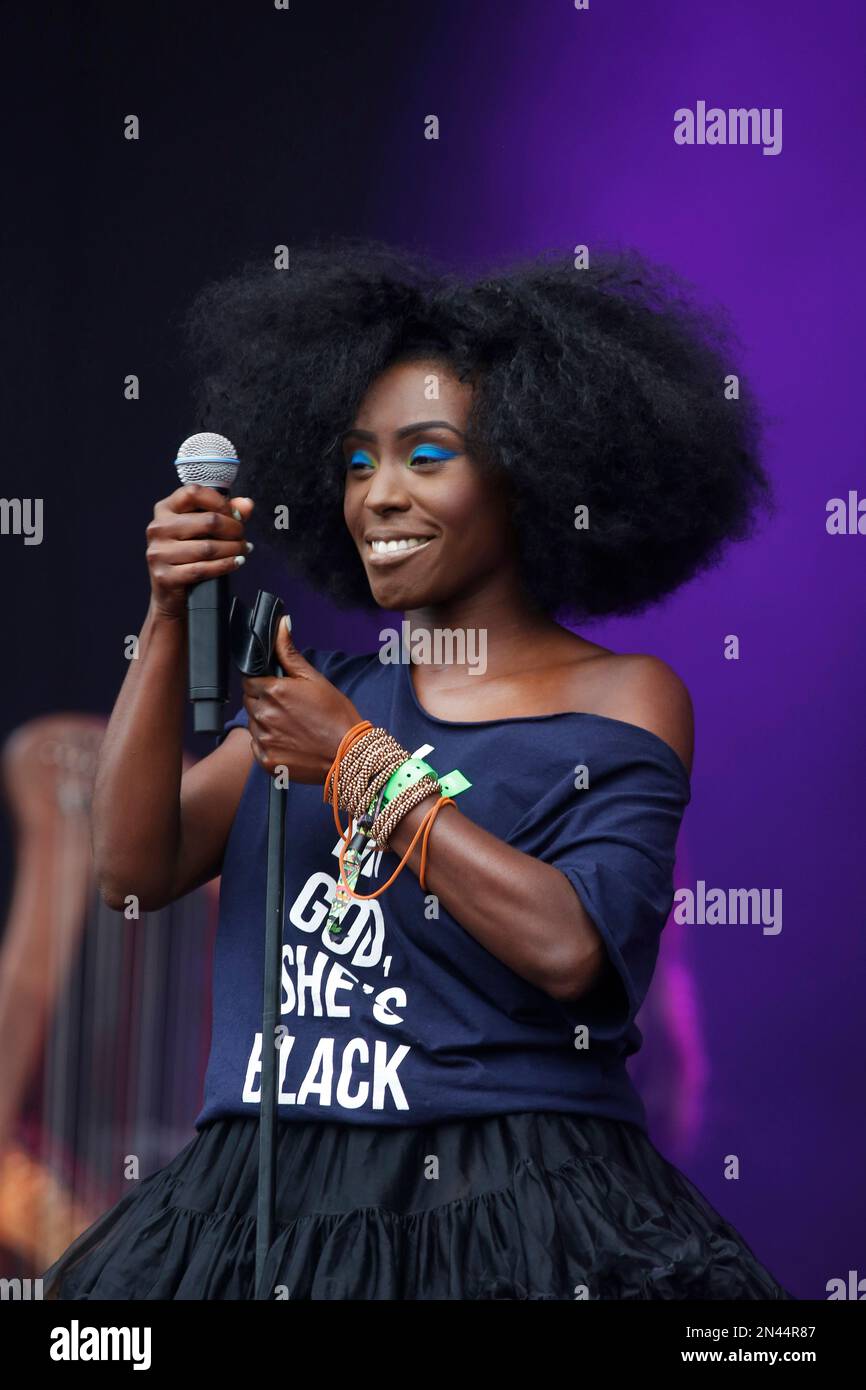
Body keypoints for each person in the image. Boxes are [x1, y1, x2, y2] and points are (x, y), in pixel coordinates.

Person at [42, 239, 793, 1300]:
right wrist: (170, 616)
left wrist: (352, 760)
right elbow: (130, 866)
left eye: (425, 456)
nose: (378, 495)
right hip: (258, 1198)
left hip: (505, 1204)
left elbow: (569, 945)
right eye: (356, 463)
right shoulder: (319, 690)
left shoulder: (619, 696)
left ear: (532, 473)